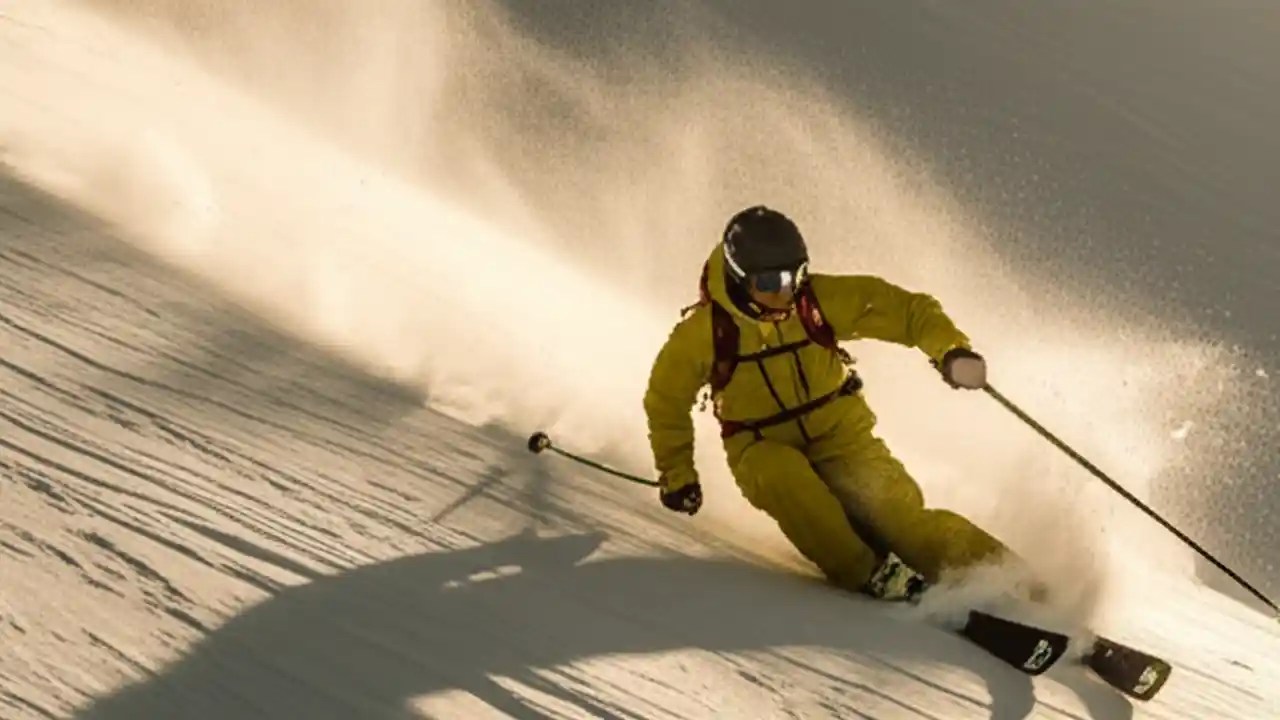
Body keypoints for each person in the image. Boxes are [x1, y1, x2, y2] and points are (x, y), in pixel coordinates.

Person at [643, 205, 1012, 601]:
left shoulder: (814, 303)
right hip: (761, 443)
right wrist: (677, 474)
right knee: (781, 474)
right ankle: (865, 571)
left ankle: (1011, 579)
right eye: (770, 282)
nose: (785, 292)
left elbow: (908, 311)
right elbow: (666, 400)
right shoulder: (705, 334)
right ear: (738, 277)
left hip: (841, 436)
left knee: (904, 522)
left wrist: (951, 351)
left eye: (795, 277)